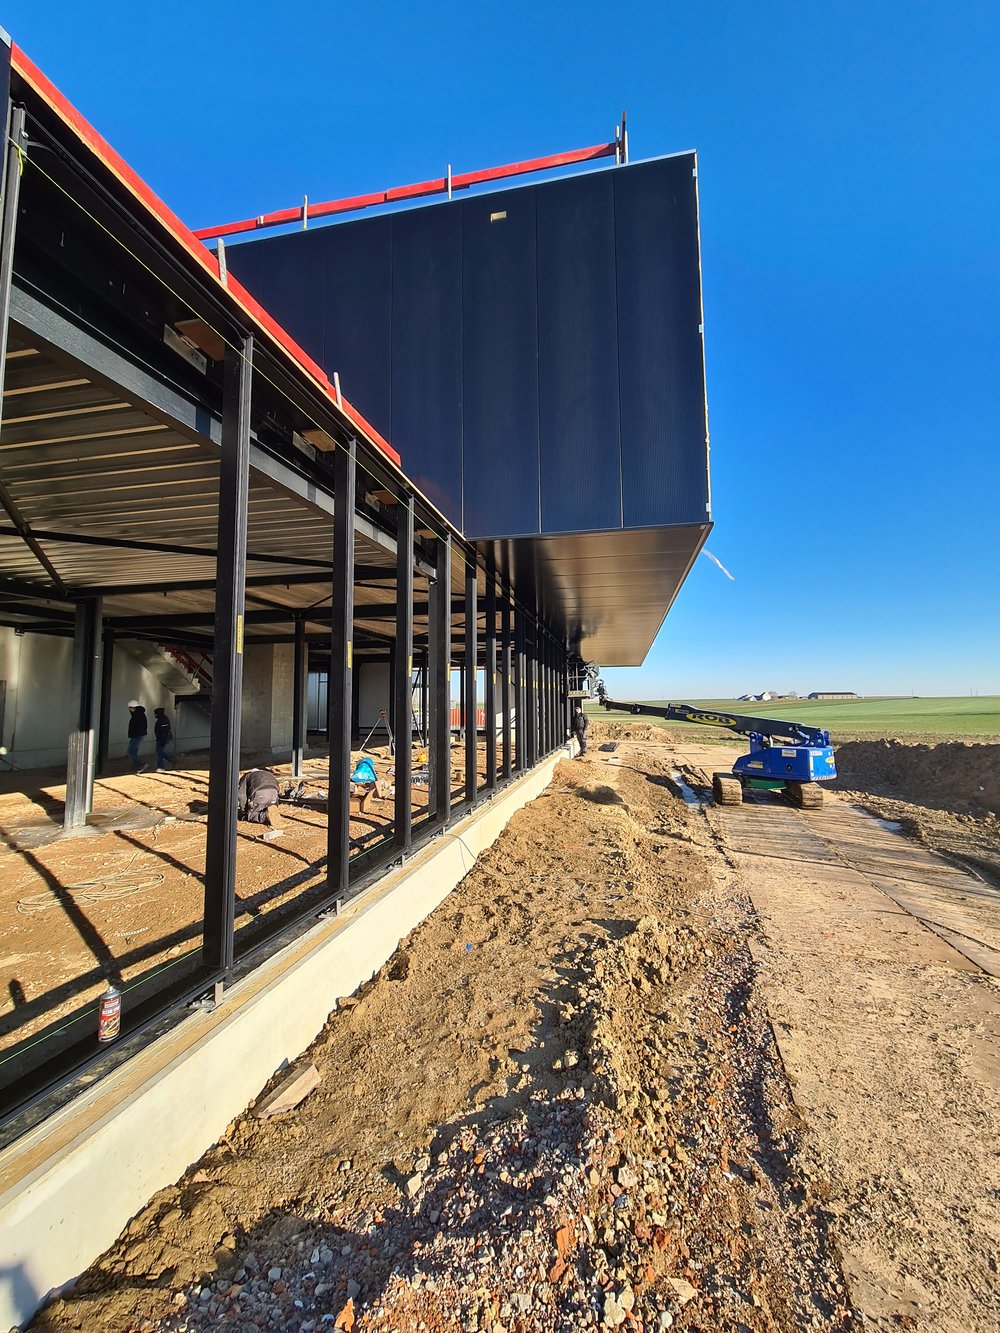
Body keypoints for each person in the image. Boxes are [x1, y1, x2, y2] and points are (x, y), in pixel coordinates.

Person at [126, 700, 147, 772]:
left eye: (129, 708)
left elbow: (137, 726)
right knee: (134, 751)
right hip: (138, 735)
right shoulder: (140, 714)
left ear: (132, 708)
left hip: (137, 735)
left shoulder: (137, 715)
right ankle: (135, 767)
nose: (128, 710)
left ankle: (140, 765)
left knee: (130, 751)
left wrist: (134, 733)